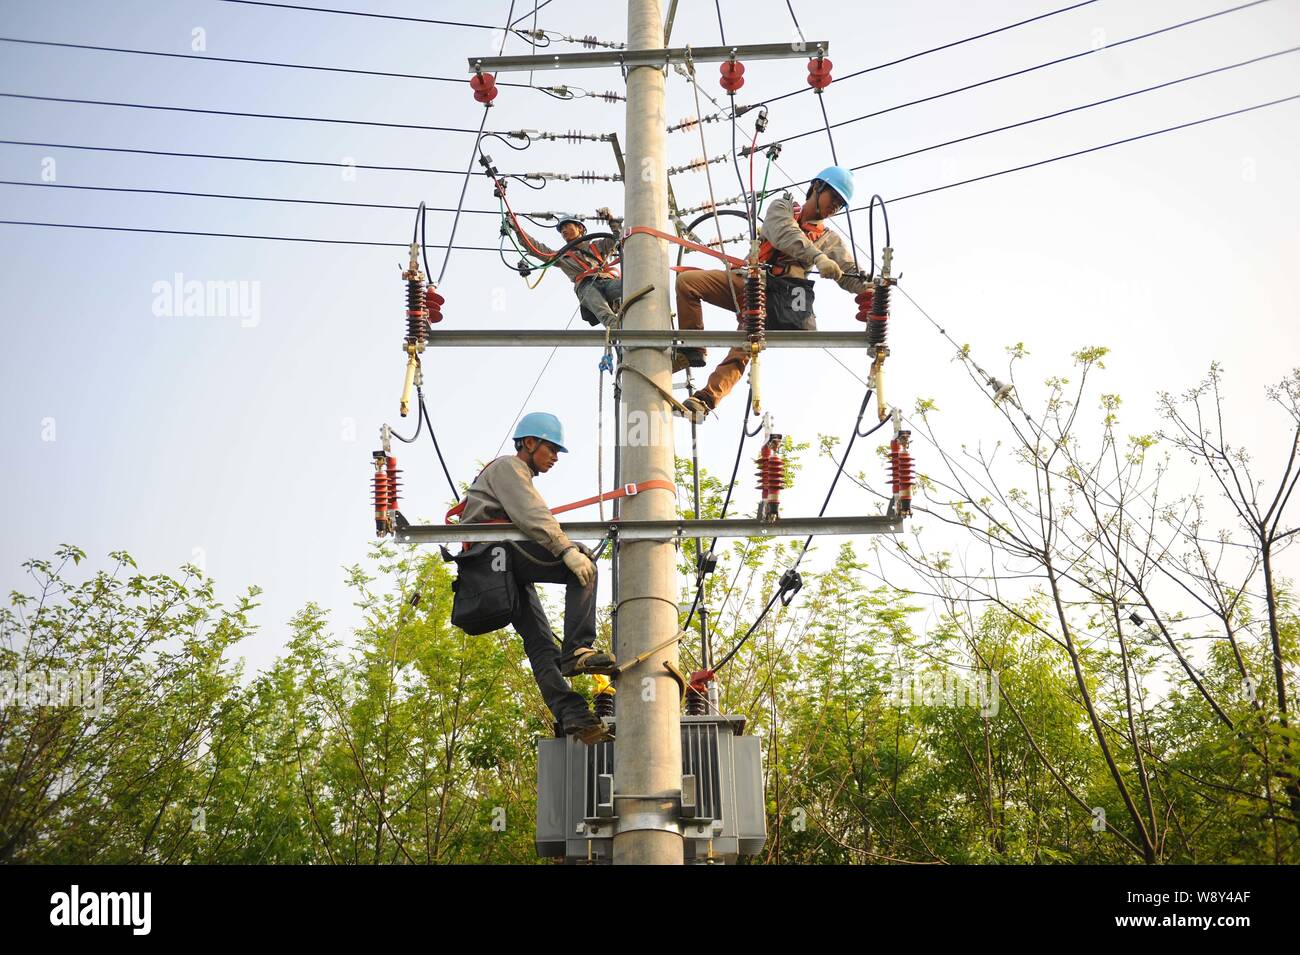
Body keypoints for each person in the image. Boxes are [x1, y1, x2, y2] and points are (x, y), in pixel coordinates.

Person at [457, 412, 615, 743]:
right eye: (551, 449)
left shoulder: (512, 474)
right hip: (499, 551)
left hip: (493, 567)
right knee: (582, 562)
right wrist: (565, 550)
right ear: (529, 443)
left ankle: (573, 715)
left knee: (541, 644)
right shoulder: (509, 467)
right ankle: (578, 649)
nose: (555, 458)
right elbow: (533, 515)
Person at [672, 166, 871, 422]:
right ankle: (692, 350)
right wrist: (818, 258)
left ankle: (706, 400)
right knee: (688, 282)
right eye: (833, 197)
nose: (835, 206)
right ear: (816, 187)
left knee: (746, 343)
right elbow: (783, 233)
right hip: (748, 280)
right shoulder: (783, 206)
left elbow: (849, 272)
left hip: (778, 297)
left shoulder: (829, 239)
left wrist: (871, 290)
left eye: (840, 204)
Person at [507, 208, 624, 327]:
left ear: (580, 228)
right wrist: (517, 229)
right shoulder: (563, 257)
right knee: (603, 313)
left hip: (606, 281)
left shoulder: (597, 245)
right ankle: (619, 332)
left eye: (567, 226)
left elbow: (619, 237)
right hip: (586, 286)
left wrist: (611, 219)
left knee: (630, 285)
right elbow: (536, 249)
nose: (563, 230)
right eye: (561, 229)